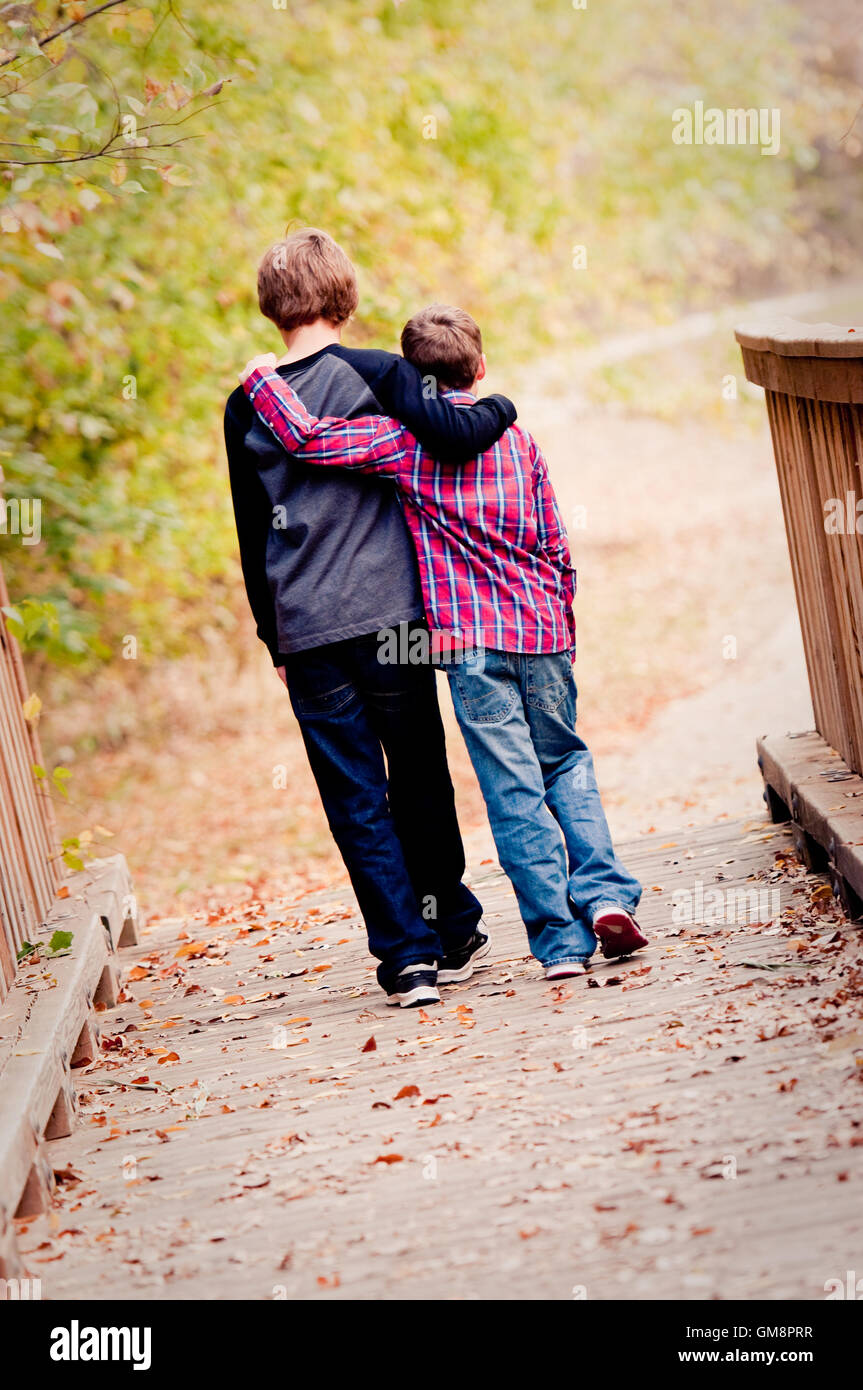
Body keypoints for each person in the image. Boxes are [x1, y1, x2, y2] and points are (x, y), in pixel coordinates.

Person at [239, 303, 646, 980]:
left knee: (511, 789)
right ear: (480, 368)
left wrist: (259, 380)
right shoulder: (519, 442)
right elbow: (554, 544)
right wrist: (564, 629)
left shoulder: (399, 445)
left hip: (468, 650)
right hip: (541, 634)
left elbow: (306, 440)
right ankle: (604, 893)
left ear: (406, 380)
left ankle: (559, 947)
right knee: (566, 764)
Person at [225, 237, 517, 1006]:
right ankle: (449, 924)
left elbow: (250, 528)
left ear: (270, 305)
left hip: (306, 624)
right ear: (345, 296)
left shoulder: (247, 401)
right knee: (418, 770)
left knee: (353, 793)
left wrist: (270, 635)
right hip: (395, 613)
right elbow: (453, 444)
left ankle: (405, 958)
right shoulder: (383, 373)